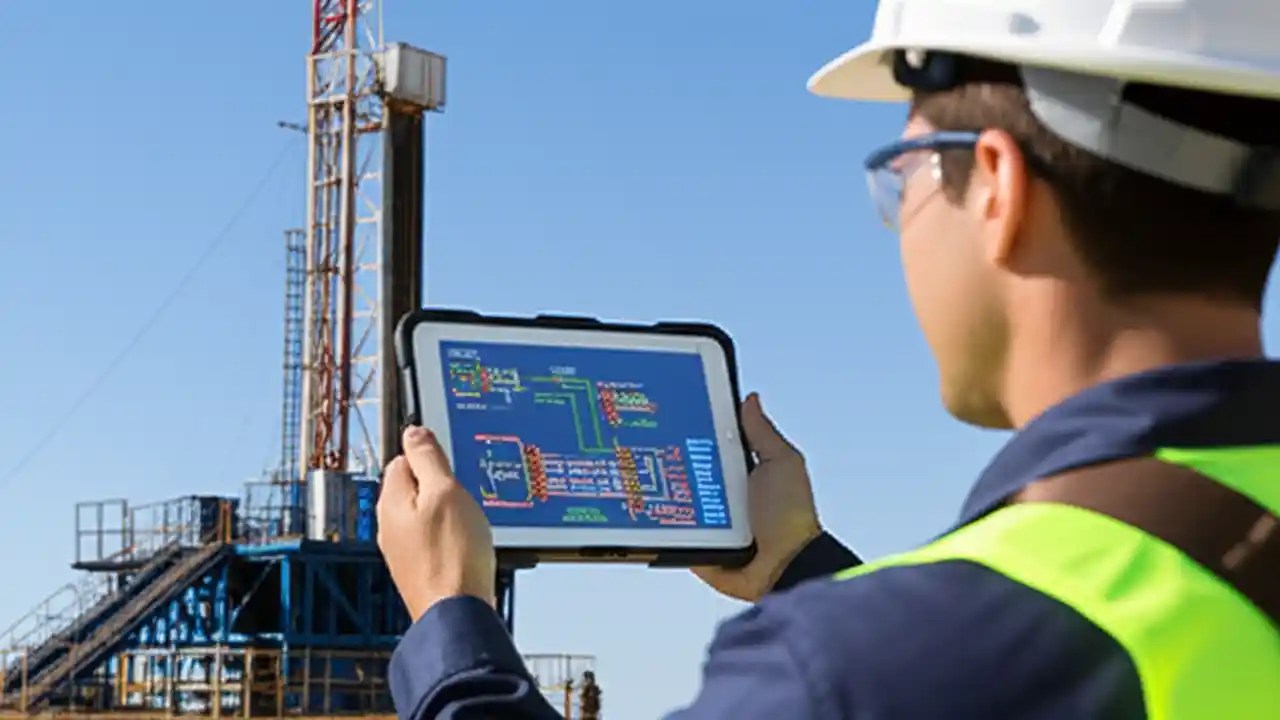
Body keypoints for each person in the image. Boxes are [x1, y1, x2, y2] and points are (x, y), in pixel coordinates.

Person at [376, 0, 1280, 717]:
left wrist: (455, 623)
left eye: (908, 167)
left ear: (998, 190)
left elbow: (946, 668)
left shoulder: (849, 669)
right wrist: (799, 564)